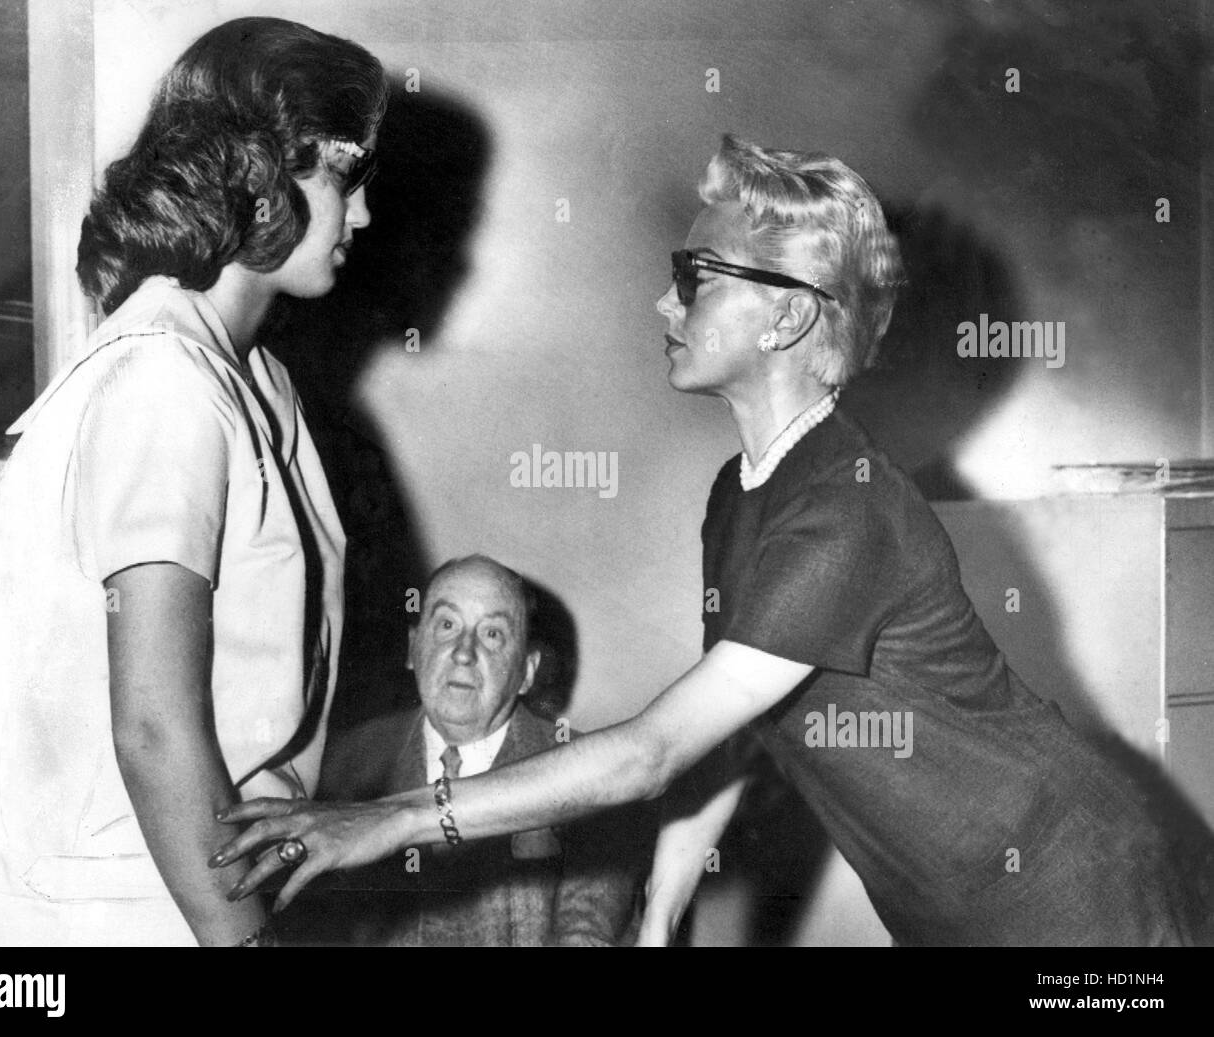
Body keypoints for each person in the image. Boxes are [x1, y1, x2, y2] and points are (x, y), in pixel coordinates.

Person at [213, 135, 1214, 947]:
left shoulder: (845, 510)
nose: (664, 301)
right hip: (951, 908)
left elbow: (650, 750)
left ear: (782, 316)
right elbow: (721, 737)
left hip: (1079, 896)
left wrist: (388, 816)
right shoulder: (737, 496)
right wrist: (653, 915)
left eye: (693, 274)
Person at [0, 17, 387, 946]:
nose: (360, 214)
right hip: (154, 919)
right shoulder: (165, 381)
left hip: (202, 901)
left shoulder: (250, 380)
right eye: (345, 176)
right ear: (262, 172)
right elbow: (154, 730)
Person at [277, 555, 647, 946]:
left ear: (527, 672)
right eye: (448, 625)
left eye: (492, 634)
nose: (464, 652)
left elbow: (589, 928)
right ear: (412, 647)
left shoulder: (592, 775)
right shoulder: (345, 763)